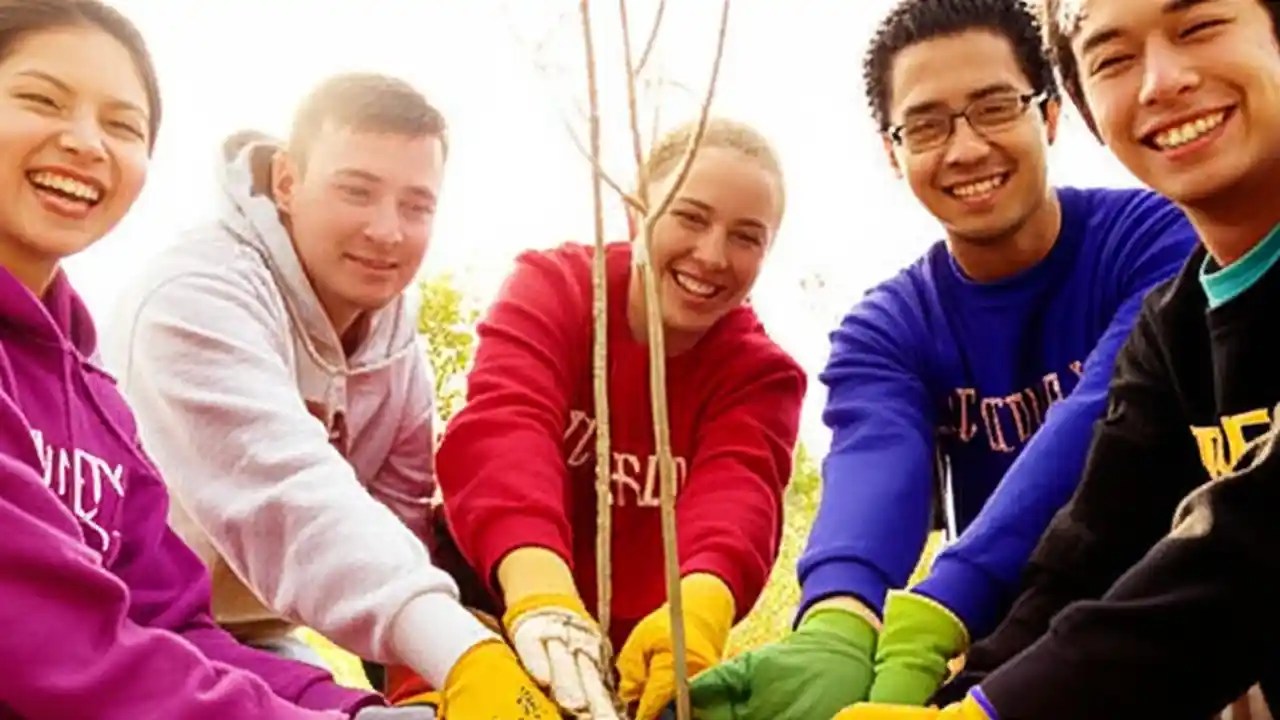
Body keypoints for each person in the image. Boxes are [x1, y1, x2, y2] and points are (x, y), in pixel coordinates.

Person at [687, 1, 1200, 718]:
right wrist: (837, 621)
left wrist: (944, 599)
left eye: (994, 108)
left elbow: (1098, 417)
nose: (964, 149)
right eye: (926, 125)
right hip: (1009, 651)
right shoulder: (889, 327)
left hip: (1180, 624)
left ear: (1049, 116)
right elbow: (876, 463)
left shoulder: (1159, 239)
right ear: (893, 153)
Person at [837, 0, 1280, 717]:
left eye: (1198, 27)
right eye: (1112, 59)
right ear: (1084, 103)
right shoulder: (1173, 332)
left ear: (1048, 116)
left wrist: (991, 709)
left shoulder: (1136, 243)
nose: (1160, 82)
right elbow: (1089, 553)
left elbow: (1246, 555)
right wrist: (944, 690)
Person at [0, 1, 439, 718]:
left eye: (122, 125)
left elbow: (169, 623)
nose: (84, 142)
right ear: (288, 182)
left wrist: (360, 710)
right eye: (40, 99)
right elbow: (57, 649)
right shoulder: (193, 299)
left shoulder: (96, 402)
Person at [102, 72, 559, 718]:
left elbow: (397, 529)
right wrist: (465, 654)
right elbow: (290, 500)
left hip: (256, 636)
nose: (387, 231)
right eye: (357, 191)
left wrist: (429, 689)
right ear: (287, 182)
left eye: (416, 206)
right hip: (120, 628)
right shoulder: (193, 301)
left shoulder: (399, 350)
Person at [384, 117, 806, 720]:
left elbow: (737, 495)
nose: (712, 255)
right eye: (690, 217)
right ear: (636, 212)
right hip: (486, 602)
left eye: (746, 237)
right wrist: (540, 595)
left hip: (638, 654)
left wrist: (699, 609)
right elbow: (505, 427)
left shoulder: (759, 374)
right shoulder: (555, 290)